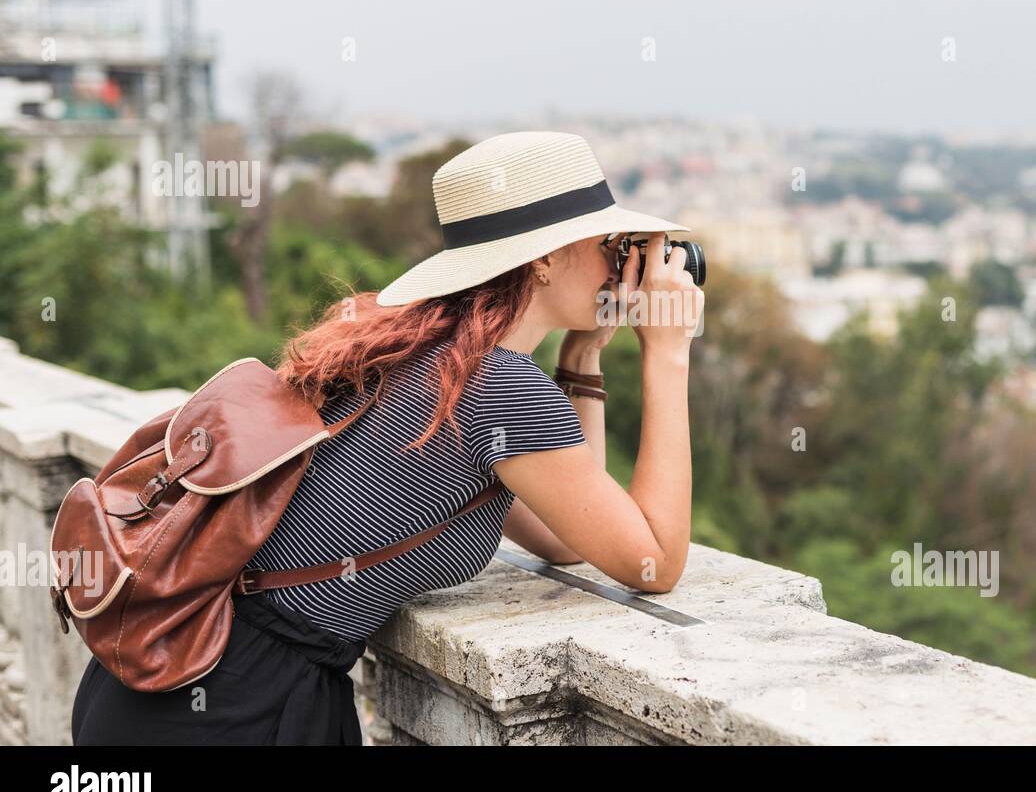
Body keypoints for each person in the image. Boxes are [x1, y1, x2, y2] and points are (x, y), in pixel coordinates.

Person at [71, 130, 704, 744]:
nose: (622, 267)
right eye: (609, 245)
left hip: (172, 680)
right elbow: (654, 560)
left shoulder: (424, 351)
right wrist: (666, 356)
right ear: (544, 256)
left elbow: (574, 535)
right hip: (235, 703)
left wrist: (585, 358)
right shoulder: (496, 384)